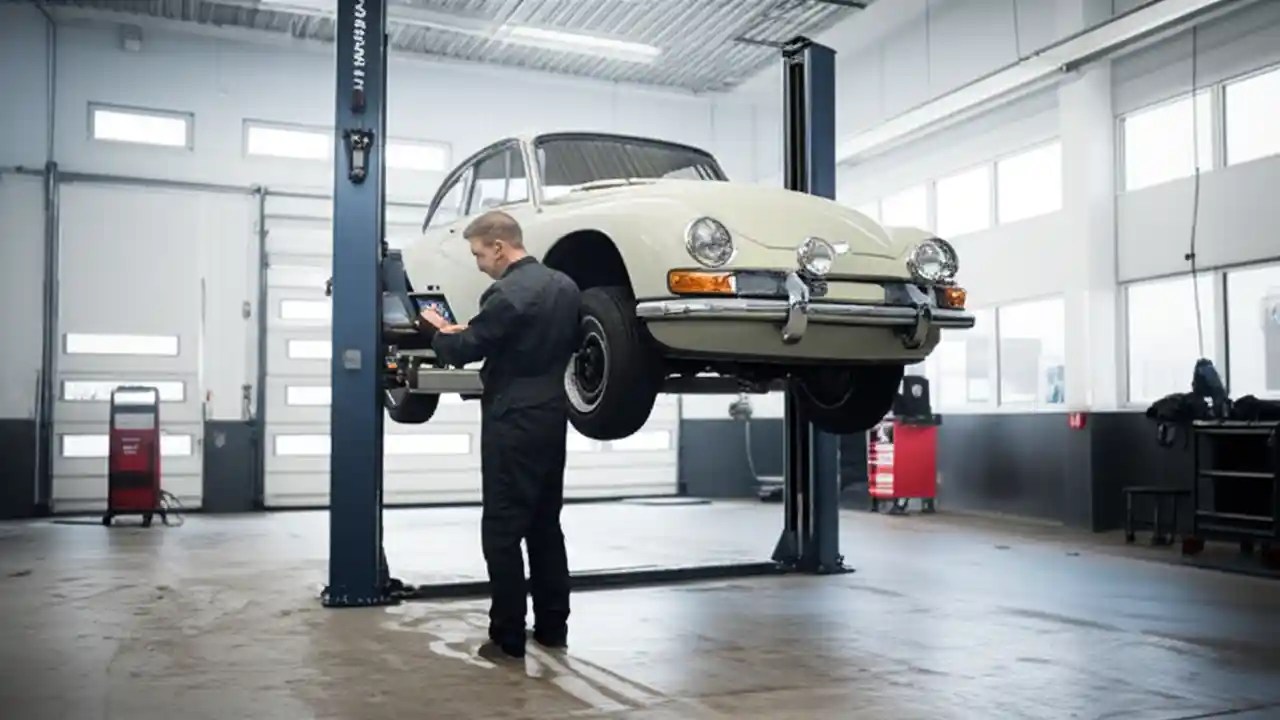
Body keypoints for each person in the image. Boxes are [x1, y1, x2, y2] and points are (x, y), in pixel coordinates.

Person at [419, 209, 581, 662]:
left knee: (503, 530)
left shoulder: (506, 293)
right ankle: (553, 629)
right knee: (546, 526)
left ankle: (507, 638)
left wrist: (438, 332)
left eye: (478, 254)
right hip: (553, 415)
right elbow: (521, 338)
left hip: (513, 422)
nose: (478, 263)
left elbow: (466, 349)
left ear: (498, 246)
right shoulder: (566, 287)